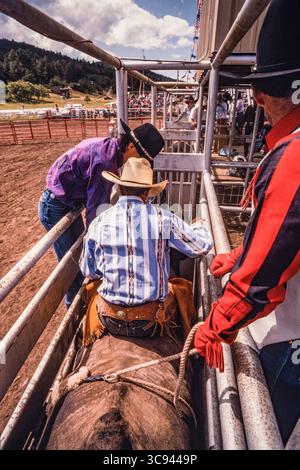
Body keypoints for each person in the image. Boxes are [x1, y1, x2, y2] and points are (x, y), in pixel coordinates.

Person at [194, 0, 300, 444]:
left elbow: (262, 280)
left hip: (293, 337)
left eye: (265, 86)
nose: (255, 97)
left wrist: (217, 324)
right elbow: (287, 235)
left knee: (266, 423)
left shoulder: (294, 155)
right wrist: (242, 250)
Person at [79, 157, 212, 342]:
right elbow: (201, 247)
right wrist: (198, 226)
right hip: (148, 322)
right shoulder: (162, 218)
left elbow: (88, 270)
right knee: (183, 289)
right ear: (148, 192)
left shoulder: (99, 221)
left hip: (109, 318)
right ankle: (192, 350)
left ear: (119, 187)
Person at [38, 121, 165, 308]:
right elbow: (96, 212)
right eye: (141, 156)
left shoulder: (108, 151)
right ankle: (73, 310)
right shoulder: (104, 163)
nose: (140, 162)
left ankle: (79, 304)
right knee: (71, 262)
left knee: (78, 254)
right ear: (130, 146)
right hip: (56, 205)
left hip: (64, 200)